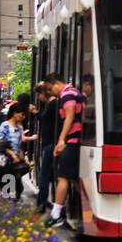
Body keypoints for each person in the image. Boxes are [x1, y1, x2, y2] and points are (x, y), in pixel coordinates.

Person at [46, 73, 83, 228]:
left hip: (73, 140)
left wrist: (62, 139)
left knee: (63, 177)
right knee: (73, 177)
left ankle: (56, 214)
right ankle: (92, 205)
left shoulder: (68, 94)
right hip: (75, 140)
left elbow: (69, 116)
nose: (50, 93)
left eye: (50, 89)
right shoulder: (74, 92)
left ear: (56, 83)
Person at [0, 103, 33, 199]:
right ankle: (7, 208)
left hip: (15, 162)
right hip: (5, 161)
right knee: (7, 188)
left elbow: (19, 145)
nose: (23, 117)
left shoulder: (20, 127)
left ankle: (12, 207)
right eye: (22, 114)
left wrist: (24, 159)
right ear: (15, 113)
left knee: (18, 188)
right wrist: (12, 154)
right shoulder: (5, 126)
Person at [35, 83, 59, 214]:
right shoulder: (50, 104)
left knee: (44, 176)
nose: (38, 97)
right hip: (48, 144)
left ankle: (41, 205)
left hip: (49, 145)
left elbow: (47, 122)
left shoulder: (53, 104)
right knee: (49, 176)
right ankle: (52, 201)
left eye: (39, 94)